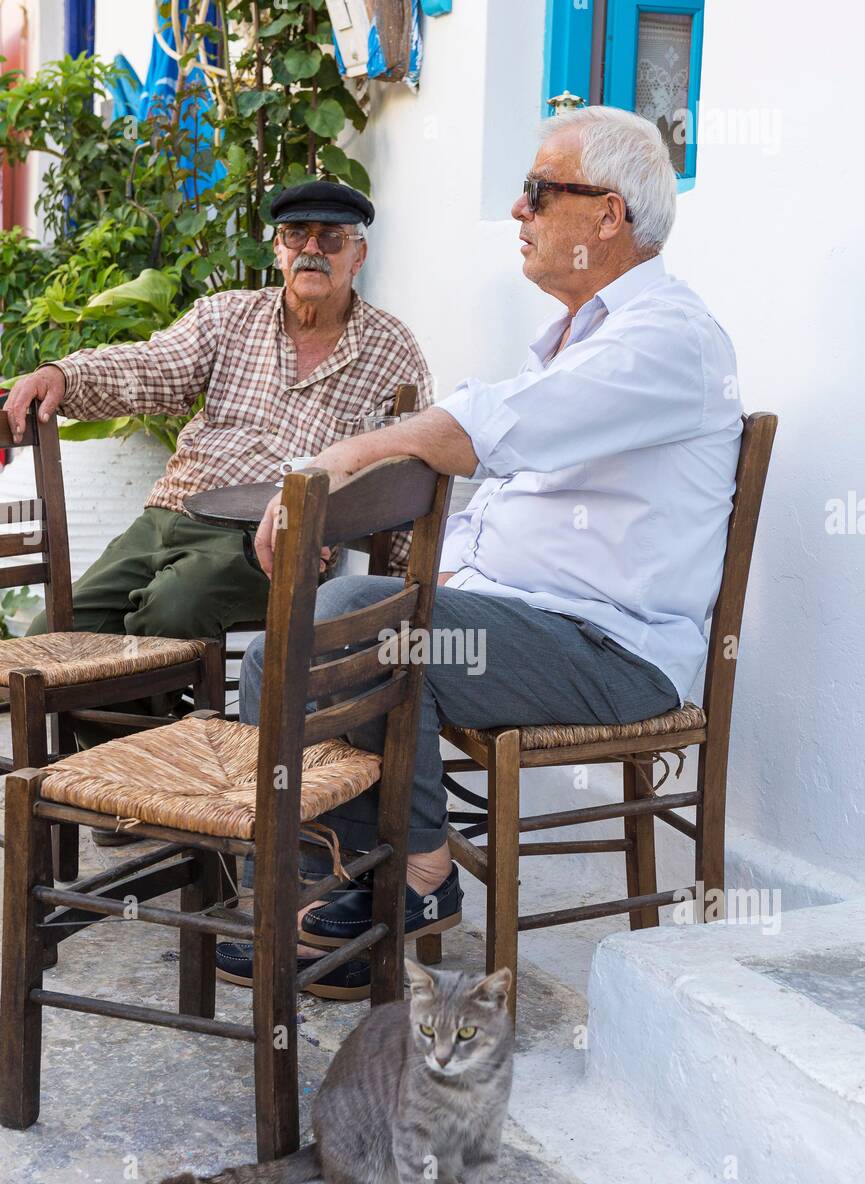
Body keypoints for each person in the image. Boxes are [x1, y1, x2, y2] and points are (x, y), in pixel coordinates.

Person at [218, 107, 742, 998]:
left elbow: (487, 433)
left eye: (539, 191)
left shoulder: (666, 339)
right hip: (529, 622)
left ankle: (413, 876)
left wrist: (338, 456)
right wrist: (452, 572)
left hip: (611, 651)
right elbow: (500, 487)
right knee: (297, 638)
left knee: (346, 623)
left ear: (607, 216)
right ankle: (341, 867)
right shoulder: (585, 338)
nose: (518, 210)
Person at [5, 181, 433, 641]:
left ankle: (161, 714)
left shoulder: (391, 348)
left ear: (358, 256)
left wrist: (395, 592)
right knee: (53, 632)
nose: (311, 249)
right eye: (296, 235)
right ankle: (124, 711)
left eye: (330, 237)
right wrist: (64, 376)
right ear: (278, 249)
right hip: (167, 517)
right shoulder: (227, 316)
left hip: (271, 537)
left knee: (168, 616)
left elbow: (407, 468)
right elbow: (151, 365)